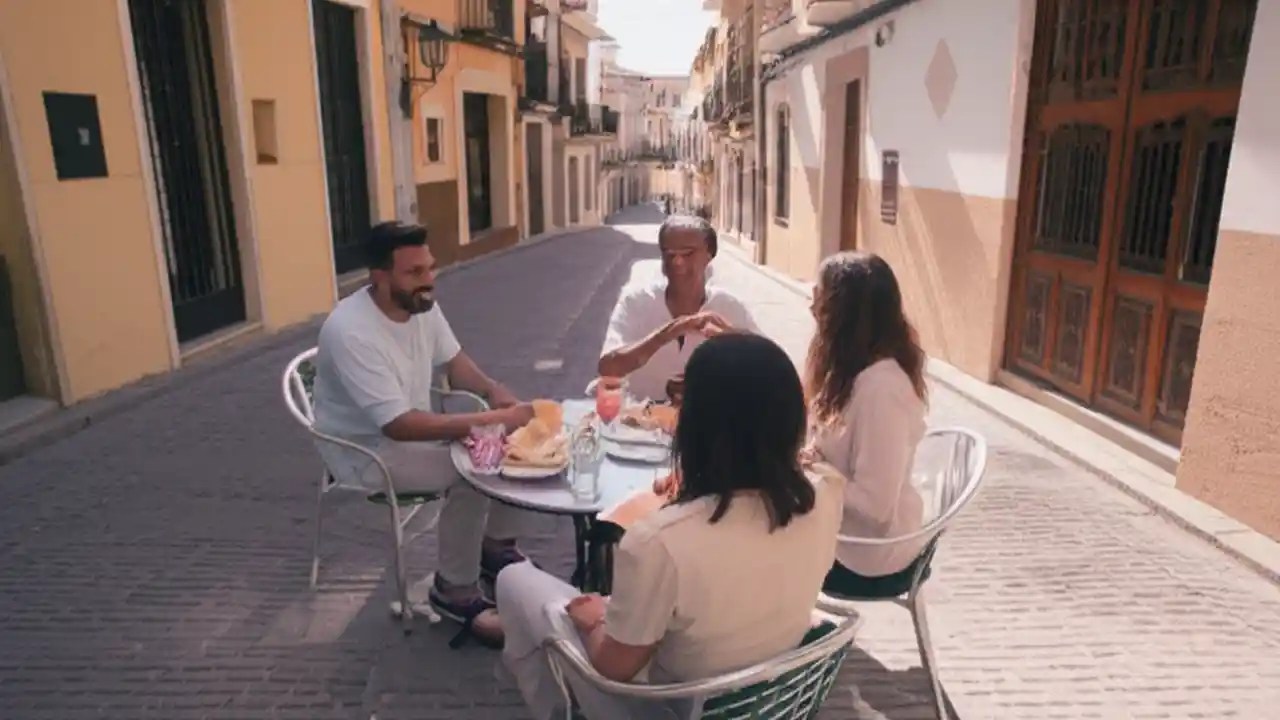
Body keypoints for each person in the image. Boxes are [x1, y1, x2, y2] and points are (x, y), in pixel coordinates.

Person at [497, 333, 845, 719]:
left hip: (668, 706)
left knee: (514, 580)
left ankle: (555, 709)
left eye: (682, 401)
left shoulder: (658, 542)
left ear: (697, 425)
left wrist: (594, 619)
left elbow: (614, 666)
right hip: (768, 696)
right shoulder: (826, 494)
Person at [311, 221, 534, 645]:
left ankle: (494, 550)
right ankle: (453, 589)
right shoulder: (351, 331)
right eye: (415, 273)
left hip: (409, 435)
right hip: (367, 453)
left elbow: (454, 362)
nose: (429, 280)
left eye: (430, 268)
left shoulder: (420, 304)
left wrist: (493, 392)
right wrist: (485, 423)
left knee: (514, 448)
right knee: (477, 470)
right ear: (380, 277)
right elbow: (398, 424)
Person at [803, 252, 930, 595]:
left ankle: (773, 636)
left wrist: (817, 472)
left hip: (867, 554)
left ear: (843, 314)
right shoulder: (849, 370)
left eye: (819, 299)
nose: (811, 308)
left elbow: (875, 508)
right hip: (840, 531)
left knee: (752, 543)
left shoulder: (881, 391)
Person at [598, 215, 756, 401]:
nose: (677, 262)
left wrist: (733, 338)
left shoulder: (728, 306)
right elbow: (608, 368)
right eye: (669, 254)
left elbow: (772, 368)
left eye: (688, 253)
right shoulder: (636, 302)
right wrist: (670, 331)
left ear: (709, 255)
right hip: (642, 423)